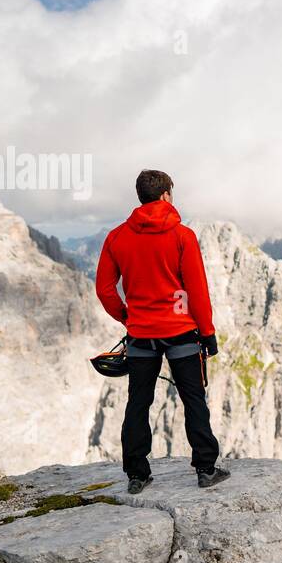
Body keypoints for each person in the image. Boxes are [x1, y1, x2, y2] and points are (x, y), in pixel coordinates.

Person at [95, 169, 230, 494]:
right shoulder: (183, 236)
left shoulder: (117, 237)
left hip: (141, 334)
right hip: (181, 331)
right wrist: (207, 332)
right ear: (166, 195)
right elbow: (196, 289)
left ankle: (137, 475)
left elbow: (104, 289)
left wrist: (128, 318)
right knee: (193, 398)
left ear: (141, 196)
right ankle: (205, 469)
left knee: (138, 402)